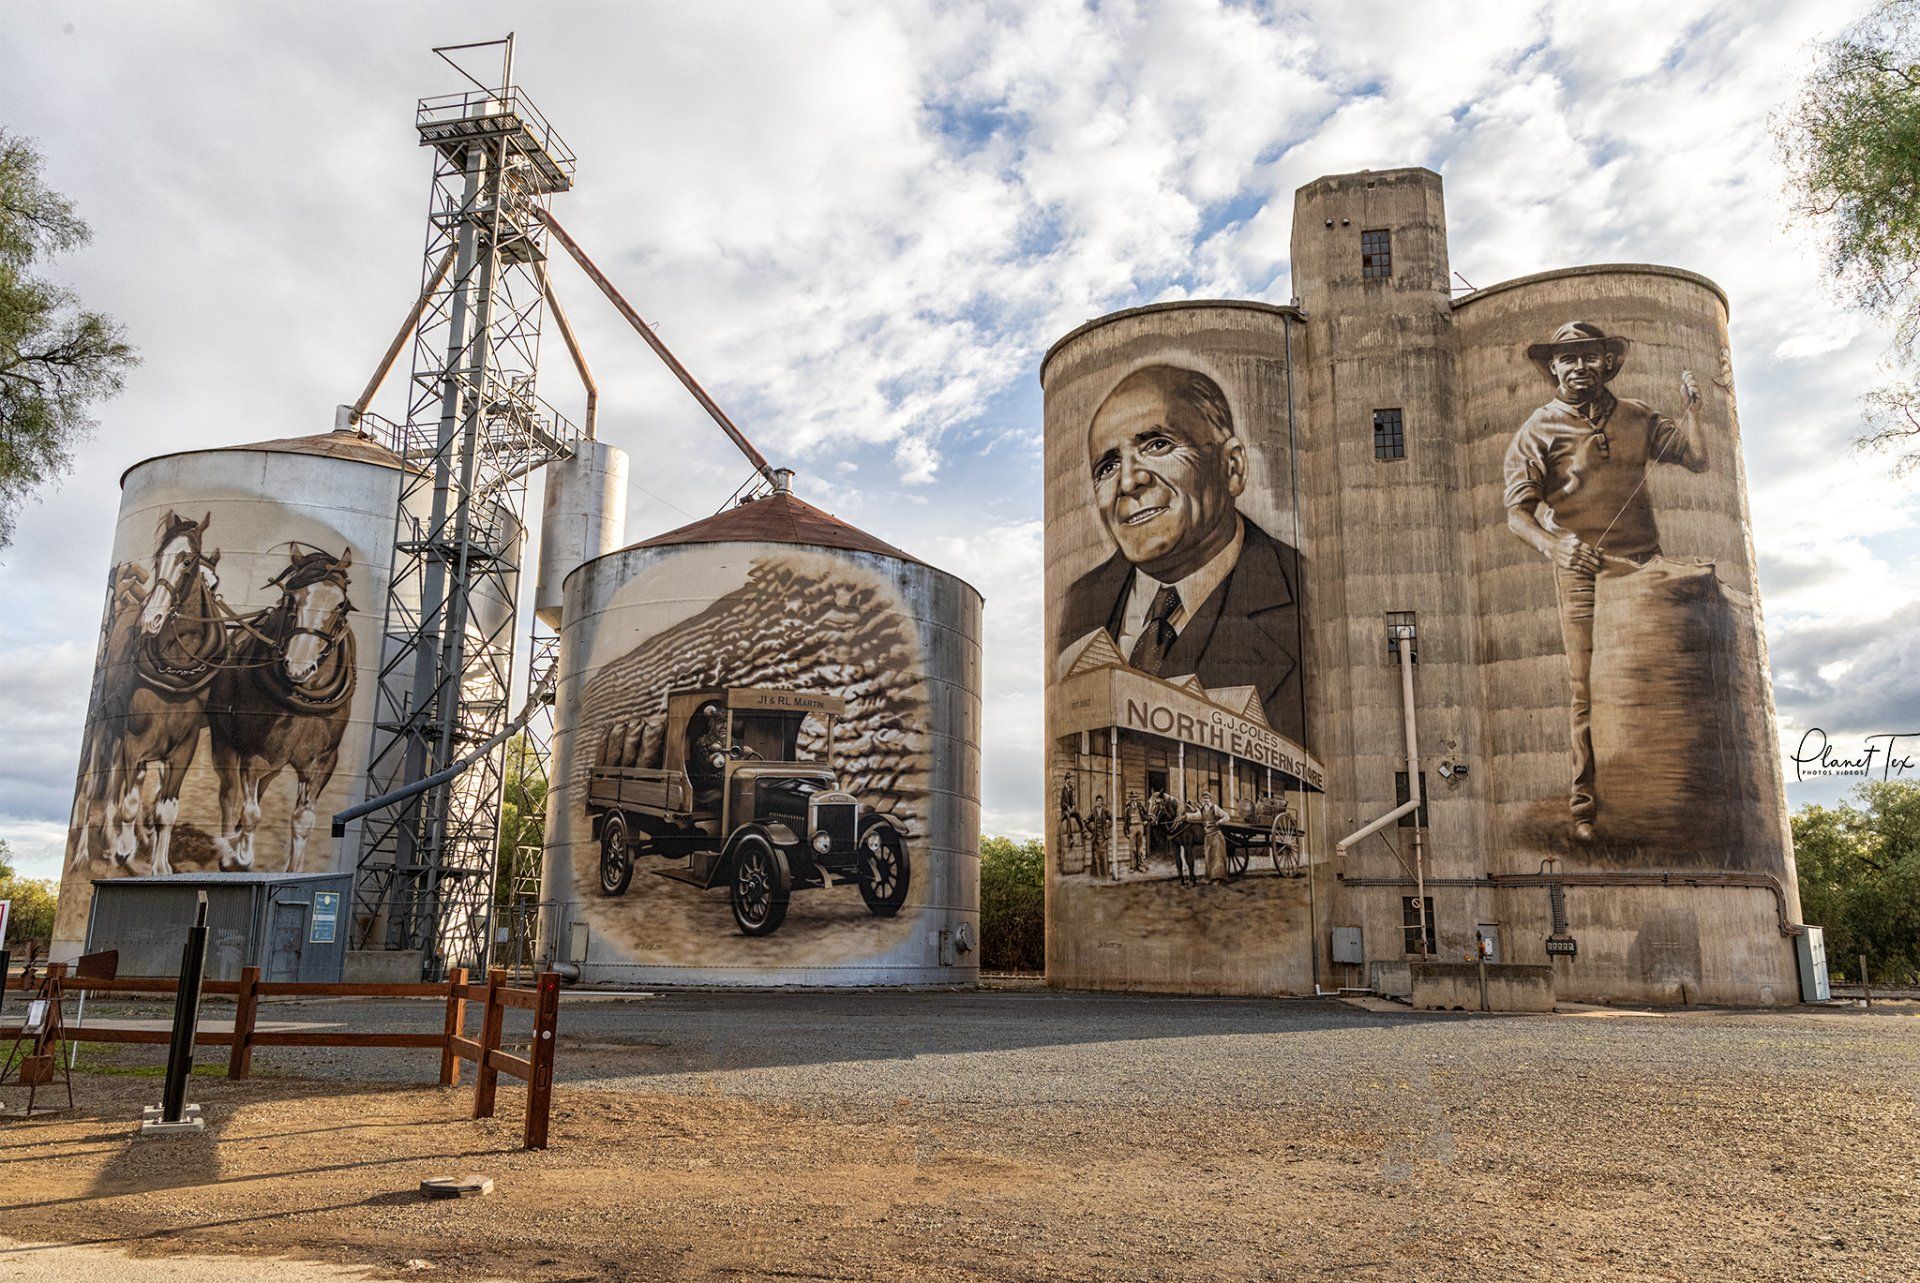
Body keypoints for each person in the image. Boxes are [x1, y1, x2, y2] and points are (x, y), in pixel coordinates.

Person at [1504, 322, 1707, 841]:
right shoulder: (1538, 429)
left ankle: (1668, 794)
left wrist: (1694, 410)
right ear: (1552, 367)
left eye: (1588, 357)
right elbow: (1517, 514)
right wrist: (1556, 546)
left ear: (1607, 363)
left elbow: (1699, 459)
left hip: (1645, 566)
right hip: (1581, 575)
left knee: (1661, 673)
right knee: (1586, 687)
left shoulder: (1638, 416)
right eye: (1567, 359)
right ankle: (1585, 807)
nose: (1578, 367)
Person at [1058, 364, 1305, 740]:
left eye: (1157, 445)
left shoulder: (1307, 595)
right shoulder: (1076, 607)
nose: (1128, 481)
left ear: (1232, 467)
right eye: (1107, 466)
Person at [1193, 791, 1230, 884]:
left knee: (1217, 857)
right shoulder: (1202, 810)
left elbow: (1226, 816)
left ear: (1210, 799)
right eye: (1204, 798)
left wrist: (1219, 822)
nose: (1205, 800)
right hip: (1208, 836)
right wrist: (1185, 816)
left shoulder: (1215, 808)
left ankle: (1218, 878)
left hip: (1217, 836)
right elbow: (1195, 816)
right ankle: (1209, 878)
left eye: (1207, 798)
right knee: (1208, 857)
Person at [1086, 794, 1113, 878]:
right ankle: (1098, 875)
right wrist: (1092, 829)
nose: (1099, 802)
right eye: (1098, 801)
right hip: (1096, 837)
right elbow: (1086, 822)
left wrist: (1108, 825)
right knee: (1096, 857)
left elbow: (1112, 817)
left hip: (1104, 837)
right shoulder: (1093, 811)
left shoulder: (1105, 810)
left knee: (1104, 856)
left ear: (1102, 802)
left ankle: (1106, 874)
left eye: (1100, 801)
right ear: (1096, 802)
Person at [1123, 791, 1149, 872]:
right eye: (1132, 797)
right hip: (1132, 827)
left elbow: (1146, 814)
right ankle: (1133, 866)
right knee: (1133, 848)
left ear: (1137, 798)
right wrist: (1126, 831)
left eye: (1135, 797)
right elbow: (1126, 820)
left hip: (1140, 826)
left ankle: (1141, 865)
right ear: (1130, 799)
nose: (1133, 799)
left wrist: (1145, 821)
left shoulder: (1140, 806)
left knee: (1140, 847)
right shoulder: (1127, 808)